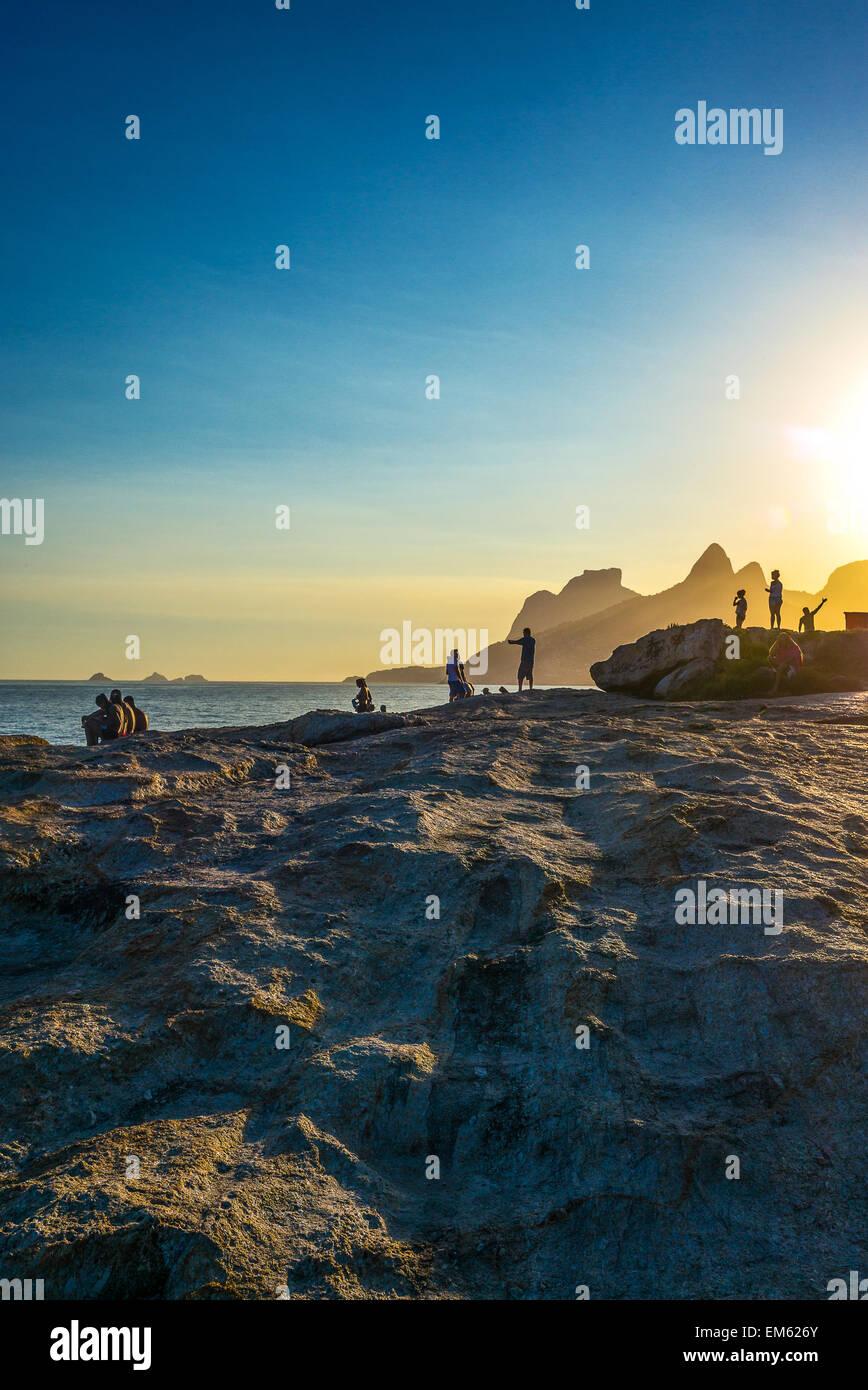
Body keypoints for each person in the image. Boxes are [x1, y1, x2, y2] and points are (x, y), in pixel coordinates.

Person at [508, 626, 536, 691]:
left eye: (524, 633)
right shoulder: (533, 640)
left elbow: (517, 642)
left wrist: (511, 642)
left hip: (524, 660)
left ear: (526, 633)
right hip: (531, 660)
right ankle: (530, 688)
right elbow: (520, 642)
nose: (523, 634)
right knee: (530, 674)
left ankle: (520, 689)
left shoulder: (525, 639)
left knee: (520, 675)